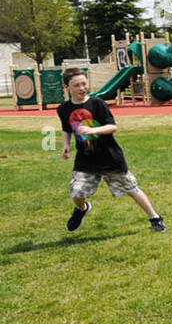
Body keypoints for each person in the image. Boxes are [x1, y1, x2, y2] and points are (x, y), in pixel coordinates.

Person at [57, 67, 165, 233]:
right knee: (76, 192)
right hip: (86, 159)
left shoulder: (97, 104)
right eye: (77, 85)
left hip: (109, 156)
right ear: (67, 87)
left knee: (131, 188)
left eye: (84, 84)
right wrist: (66, 144)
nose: (82, 88)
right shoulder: (63, 109)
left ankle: (155, 217)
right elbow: (67, 127)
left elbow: (112, 126)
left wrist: (93, 131)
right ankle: (82, 208)